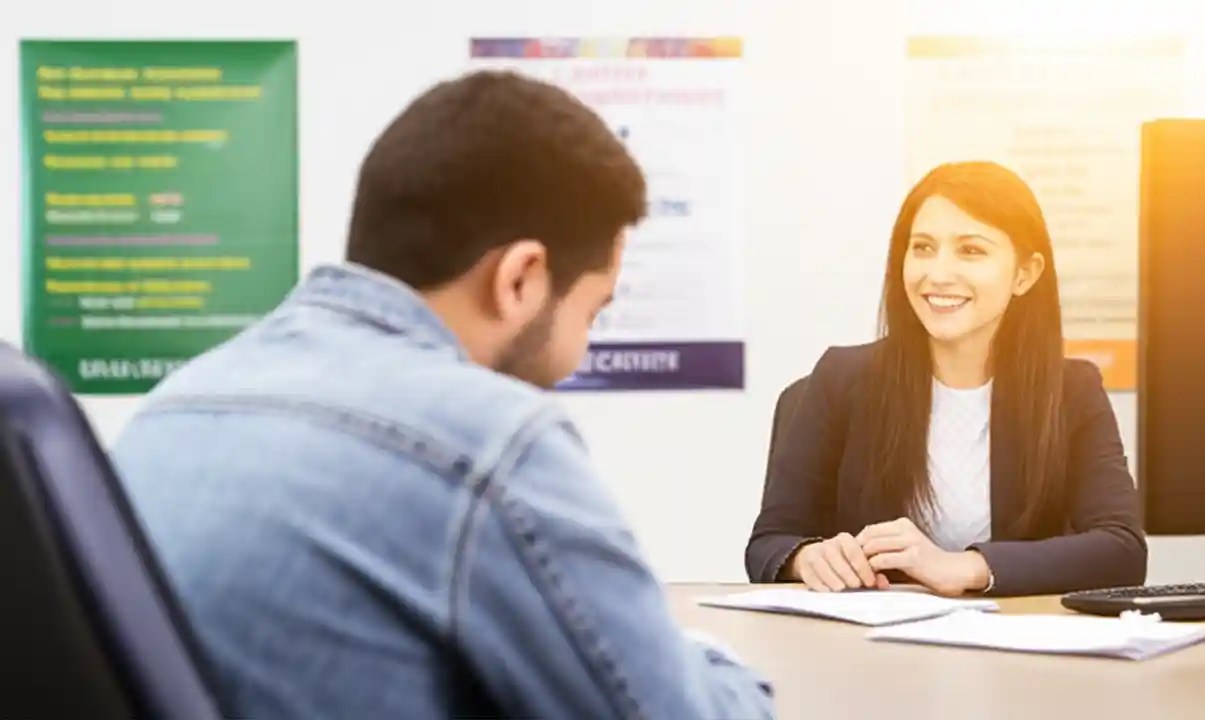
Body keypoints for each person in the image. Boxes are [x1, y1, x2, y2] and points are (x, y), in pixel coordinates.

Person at [112, 70, 774, 720]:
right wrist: (699, 654)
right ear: (521, 279)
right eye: (594, 312)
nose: (580, 353)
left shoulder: (183, 396)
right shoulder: (489, 439)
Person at [745, 161, 1147, 598]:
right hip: (873, 652)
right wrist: (808, 558)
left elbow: (1121, 550)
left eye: (971, 251)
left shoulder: (1072, 391)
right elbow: (770, 543)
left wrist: (966, 568)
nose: (937, 274)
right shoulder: (842, 379)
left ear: (1024, 274)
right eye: (922, 248)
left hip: (1016, 649)